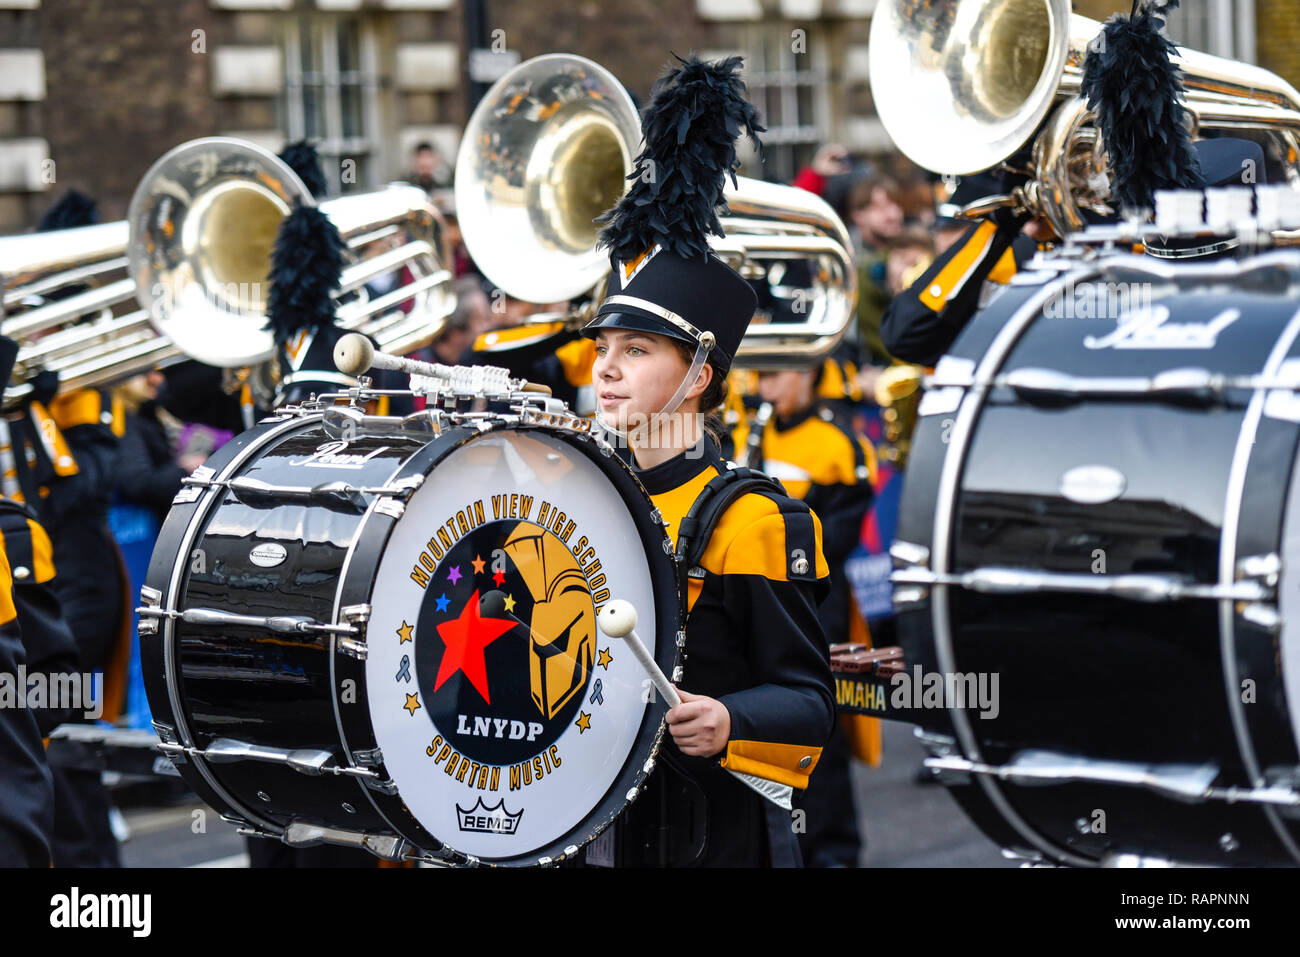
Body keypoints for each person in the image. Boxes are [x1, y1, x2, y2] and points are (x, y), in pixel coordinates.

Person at [579, 53, 835, 867]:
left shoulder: (756, 521)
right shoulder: (576, 502)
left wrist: (730, 718)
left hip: (710, 843)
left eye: (638, 349)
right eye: (605, 348)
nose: (607, 368)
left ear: (699, 374)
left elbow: (808, 701)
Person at [749, 365, 875, 867]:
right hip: (764, 605)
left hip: (819, 611)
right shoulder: (745, 429)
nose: (765, 388)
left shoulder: (837, 442)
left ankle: (834, 851)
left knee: (821, 734)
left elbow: (837, 540)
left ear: (804, 374)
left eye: (775, 375)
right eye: (759, 377)